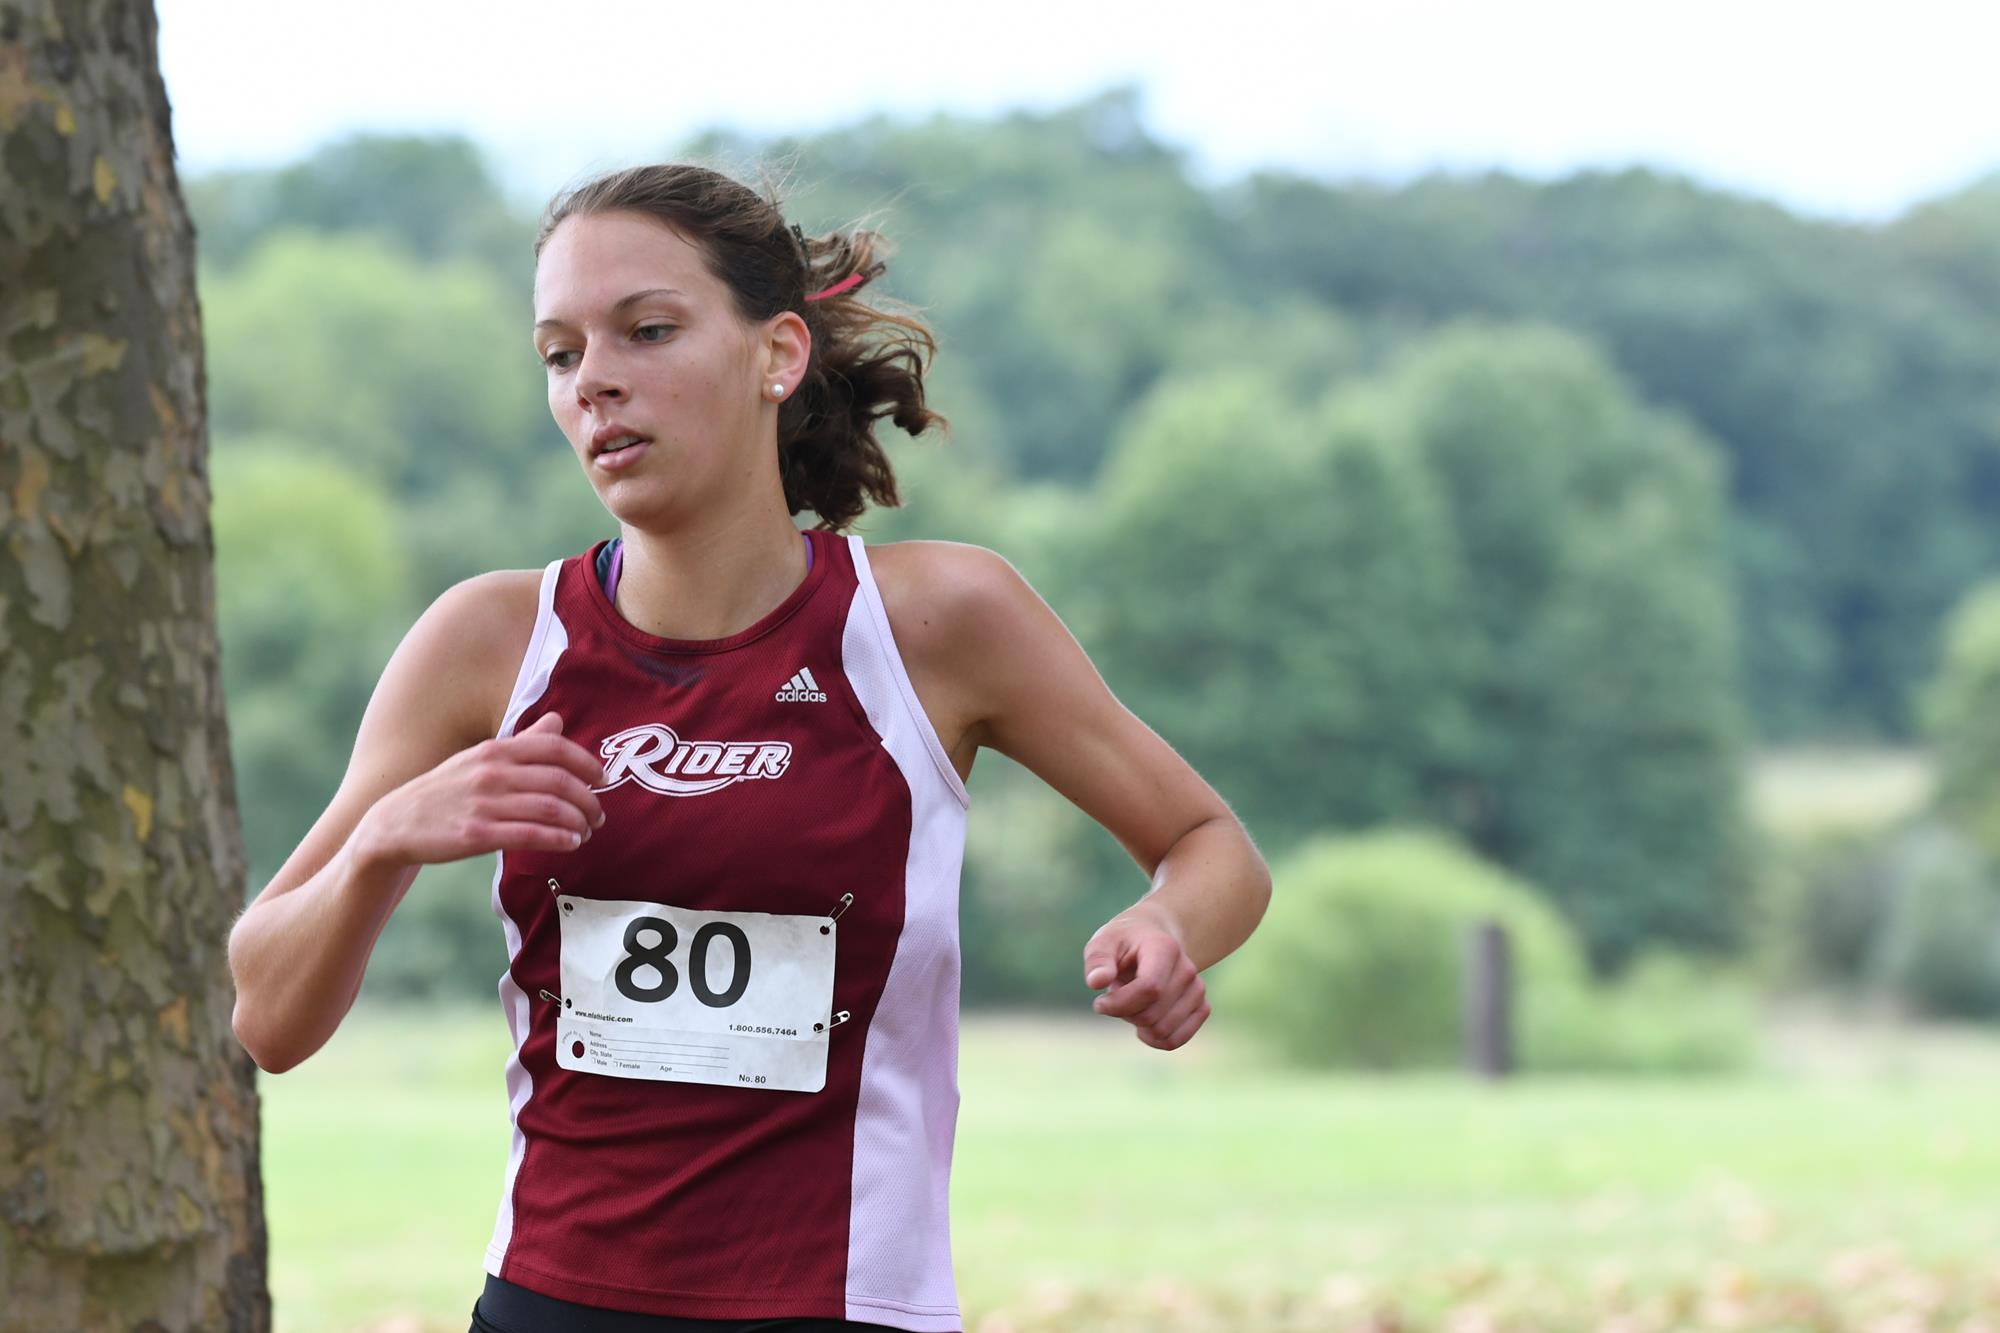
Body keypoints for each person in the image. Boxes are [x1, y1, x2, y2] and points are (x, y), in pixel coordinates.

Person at [225, 162, 1272, 1333]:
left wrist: (1166, 926)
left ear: (776, 356)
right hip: (552, 1306)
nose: (597, 382)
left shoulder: (936, 624)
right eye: (560, 354)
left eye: (648, 330)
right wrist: (380, 842)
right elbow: (267, 1014)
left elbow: (1208, 842)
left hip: (846, 1305)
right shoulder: (486, 640)